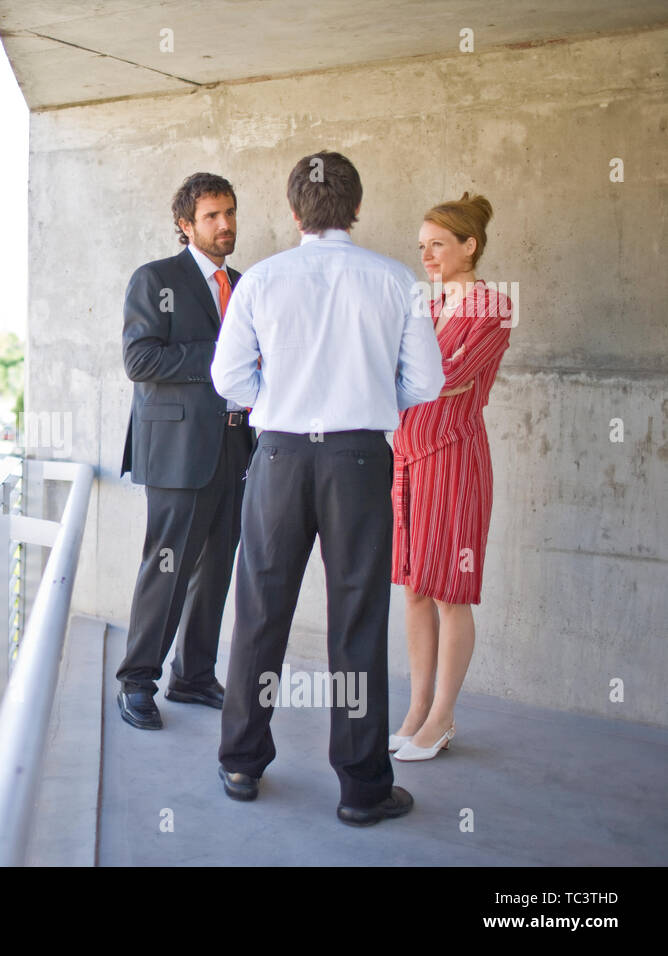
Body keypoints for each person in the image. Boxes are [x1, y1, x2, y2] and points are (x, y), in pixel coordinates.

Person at [210, 151, 444, 825]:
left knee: (259, 611)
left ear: (294, 213)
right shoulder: (397, 280)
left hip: (280, 457)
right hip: (360, 462)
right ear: (357, 208)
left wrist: (276, 404)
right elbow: (424, 383)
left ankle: (240, 761)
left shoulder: (261, 280)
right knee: (359, 621)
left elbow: (229, 379)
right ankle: (363, 787)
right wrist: (370, 401)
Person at [117, 172, 256, 731]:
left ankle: (194, 675)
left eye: (230, 213)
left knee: (218, 565)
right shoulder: (156, 279)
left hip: (238, 444)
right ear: (185, 225)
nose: (225, 225)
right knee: (168, 567)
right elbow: (141, 361)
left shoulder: (246, 285)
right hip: (177, 450)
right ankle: (136, 682)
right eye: (211, 216)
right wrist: (225, 352)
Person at [390, 194, 512, 762]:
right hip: (408, 453)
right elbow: (413, 374)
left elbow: (440, 376)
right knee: (414, 588)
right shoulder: (425, 304)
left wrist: (405, 370)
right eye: (422, 247)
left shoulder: (492, 304)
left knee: (449, 593)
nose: (428, 255)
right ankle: (416, 708)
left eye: (438, 244)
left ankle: (442, 717)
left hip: (454, 454)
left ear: (470, 245)